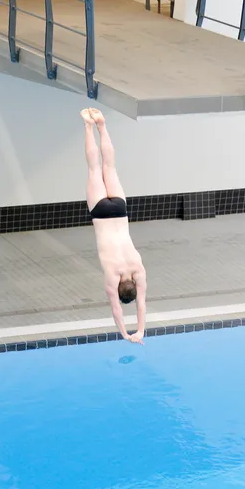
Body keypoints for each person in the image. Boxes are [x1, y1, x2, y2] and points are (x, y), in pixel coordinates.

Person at [81, 107, 147, 344]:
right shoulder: (112, 274)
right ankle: (88, 125)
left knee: (110, 167)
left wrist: (141, 329)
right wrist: (125, 333)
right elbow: (116, 310)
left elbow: (142, 303)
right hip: (100, 212)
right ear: (119, 288)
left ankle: (101, 124)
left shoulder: (139, 269)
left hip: (119, 210)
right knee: (94, 168)